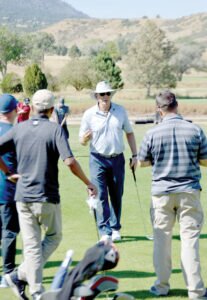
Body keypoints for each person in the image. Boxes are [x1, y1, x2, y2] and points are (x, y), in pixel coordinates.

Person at [0, 89, 97, 300]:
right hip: (45, 196)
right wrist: (88, 182)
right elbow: (69, 161)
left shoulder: (20, 128)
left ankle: (21, 277)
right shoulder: (54, 130)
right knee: (53, 236)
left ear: (32, 107)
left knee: (32, 246)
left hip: (22, 196)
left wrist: (7, 173)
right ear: (52, 109)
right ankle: (33, 288)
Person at [138, 90, 207, 299]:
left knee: (162, 241)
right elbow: (205, 160)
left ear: (159, 110)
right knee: (190, 241)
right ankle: (195, 290)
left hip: (162, 194)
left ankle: (161, 286)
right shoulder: (195, 130)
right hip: (189, 192)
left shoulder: (152, 133)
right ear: (177, 105)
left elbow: (142, 162)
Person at [79, 81, 137, 242]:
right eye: (102, 94)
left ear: (110, 95)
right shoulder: (89, 114)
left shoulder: (120, 111)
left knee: (117, 194)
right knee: (100, 194)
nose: (105, 97)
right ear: (96, 96)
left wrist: (135, 155)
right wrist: (85, 139)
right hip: (97, 159)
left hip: (117, 159)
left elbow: (130, 133)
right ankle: (104, 230)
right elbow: (81, 141)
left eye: (107, 94)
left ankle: (115, 227)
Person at [0, 94, 20, 288]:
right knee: (10, 231)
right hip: (7, 189)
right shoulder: (14, 132)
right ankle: (7, 274)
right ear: (14, 110)